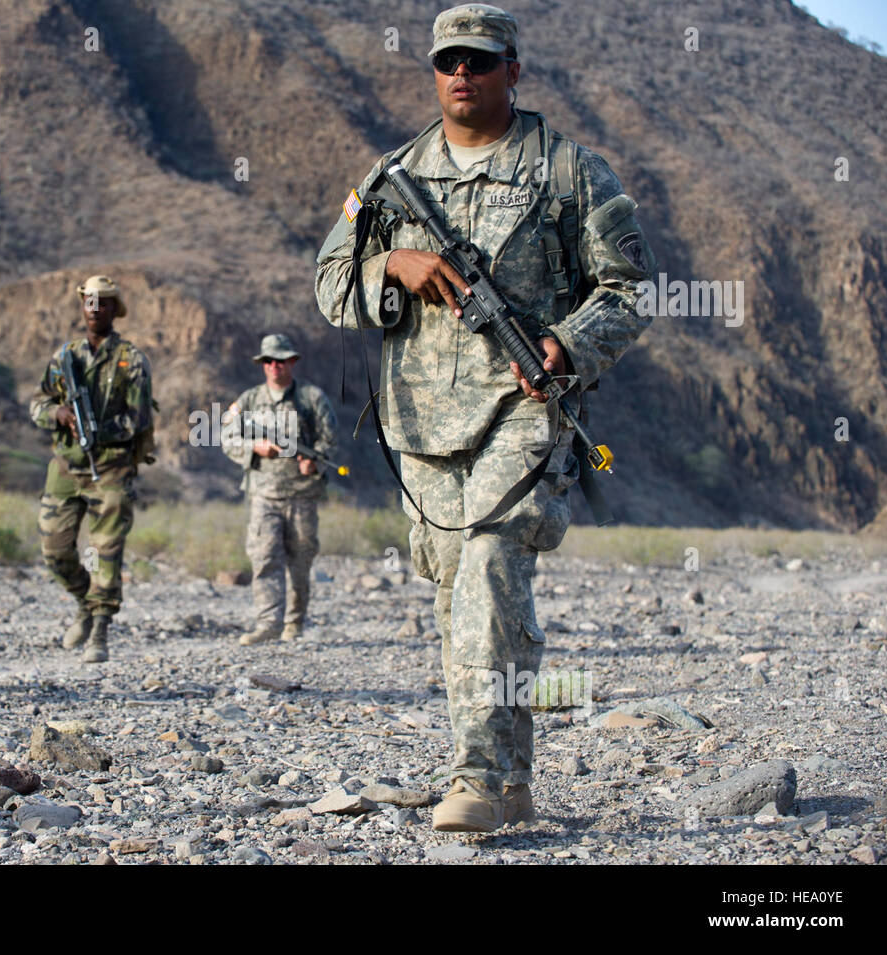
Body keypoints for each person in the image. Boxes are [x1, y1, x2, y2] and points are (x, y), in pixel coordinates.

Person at [315, 5, 655, 831]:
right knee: (460, 598)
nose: (461, 73)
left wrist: (564, 345)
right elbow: (330, 284)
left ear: (513, 68)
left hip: (525, 413)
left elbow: (634, 287)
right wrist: (392, 262)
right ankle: (511, 778)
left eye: (479, 59)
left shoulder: (570, 171)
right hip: (423, 430)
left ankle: (473, 777)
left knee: (494, 570)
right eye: (447, 60)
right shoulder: (394, 175)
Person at [29, 275, 155, 664]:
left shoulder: (131, 360)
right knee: (54, 549)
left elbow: (139, 418)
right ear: (82, 306)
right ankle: (85, 603)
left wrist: (101, 431)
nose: (95, 308)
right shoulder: (64, 357)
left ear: (115, 309)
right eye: (89, 301)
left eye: (103, 302)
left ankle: (100, 627)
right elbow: (37, 404)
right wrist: (58, 413)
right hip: (67, 465)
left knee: (105, 550)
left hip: (112, 466)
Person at [221, 333, 338, 646]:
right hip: (263, 494)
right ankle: (268, 623)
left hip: (302, 495)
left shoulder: (312, 398)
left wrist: (314, 464)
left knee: (300, 561)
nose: (275, 366)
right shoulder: (248, 401)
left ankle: (294, 623)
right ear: (262, 364)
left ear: (292, 362)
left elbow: (329, 440)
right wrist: (254, 448)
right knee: (264, 558)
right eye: (269, 361)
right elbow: (227, 438)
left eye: (281, 360)